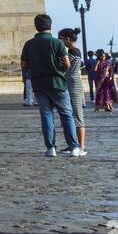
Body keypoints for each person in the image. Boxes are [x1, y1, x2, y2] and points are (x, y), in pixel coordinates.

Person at [20, 13, 84, 157]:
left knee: (46, 115)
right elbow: (67, 63)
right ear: (50, 26)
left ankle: (51, 148)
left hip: (38, 83)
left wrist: (29, 75)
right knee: (67, 114)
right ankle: (74, 147)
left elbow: (24, 64)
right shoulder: (58, 43)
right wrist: (59, 71)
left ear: (36, 27)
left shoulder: (28, 44)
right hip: (57, 83)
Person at [58, 29, 87, 151]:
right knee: (71, 115)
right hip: (72, 84)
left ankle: (81, 145)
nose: (59, 41)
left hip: (73, 86)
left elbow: (63, 66)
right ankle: (73, 144)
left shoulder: (73, 51)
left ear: (67, 39)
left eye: (61, 38)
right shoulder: (74, 51)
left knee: (77, 116)